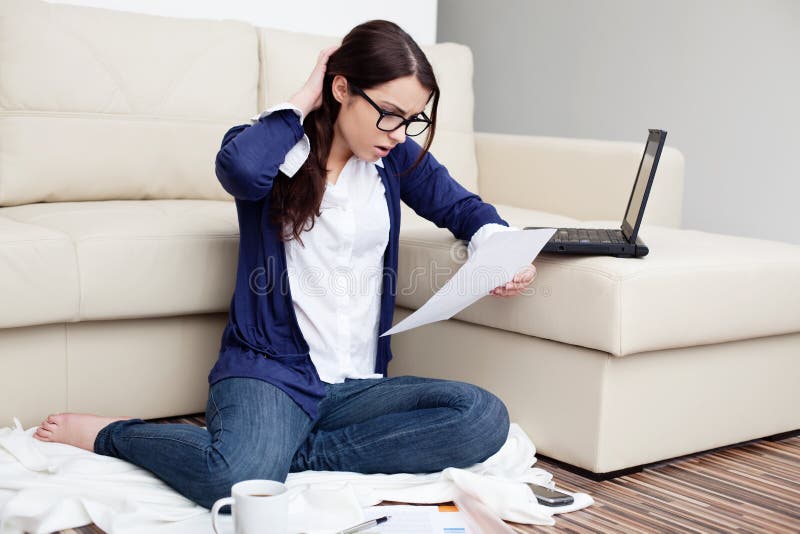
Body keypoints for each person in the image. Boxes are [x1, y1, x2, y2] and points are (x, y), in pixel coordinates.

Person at [33, 19, 537, 510]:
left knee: (482, 417)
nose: (399, 131)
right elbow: (238, 169)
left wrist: (499, 250)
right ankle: (114, 435)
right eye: (388, 113)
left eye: (412, 119)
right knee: (230, 478)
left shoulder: (394, 159)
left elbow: (463, 208)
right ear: (342, 88)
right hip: (271, 375)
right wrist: (303, 96)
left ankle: (289, 457)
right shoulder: (277, 151)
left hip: (356, 387)